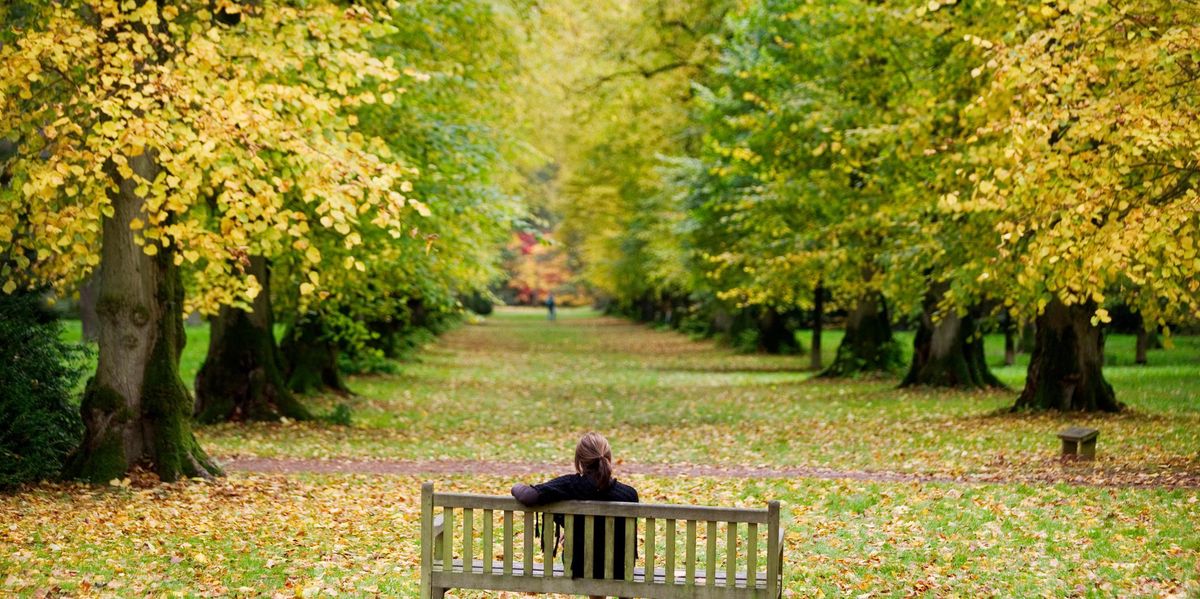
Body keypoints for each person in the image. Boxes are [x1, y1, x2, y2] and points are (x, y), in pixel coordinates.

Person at [511, 432, 638, 598]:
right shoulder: (629, 494)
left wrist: (515, 486)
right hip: (620, 569)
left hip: (580, 566)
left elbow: (528, 496)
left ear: (579, 461)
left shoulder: (569, 486)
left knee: (590, 560)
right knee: (615, 559)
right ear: (608, 458)